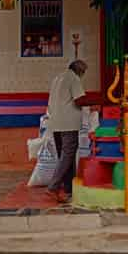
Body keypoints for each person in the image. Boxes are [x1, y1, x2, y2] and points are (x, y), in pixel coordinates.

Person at [45, 59, 89, 202]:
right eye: (83, 72)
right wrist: (99, 101)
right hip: (68, 123)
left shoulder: (57, 78)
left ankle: (69, 189)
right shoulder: (73, 78)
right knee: (68, 155)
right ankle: (53, 187)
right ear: (79, 70)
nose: (83, 75)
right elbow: (79, 101)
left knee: (64, 158)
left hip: (55, 122)